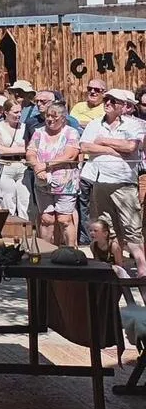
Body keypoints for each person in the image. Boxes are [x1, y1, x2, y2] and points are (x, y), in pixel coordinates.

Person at [80, 88, 146, 277]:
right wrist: (113, 151)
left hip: (124, 183)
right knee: (105, 227)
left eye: (112, 100)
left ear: (124, 106)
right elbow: (85, 146)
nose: (107, 102)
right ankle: (116, 268)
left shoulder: (135, 125)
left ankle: (142, 271)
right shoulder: (94, 124)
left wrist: (102, 141)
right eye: (106, 99)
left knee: (132, 228)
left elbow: (131, 146)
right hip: (100, 182)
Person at [28, 102, 81, 246]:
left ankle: (70, 250)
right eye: (48, 116)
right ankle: (46, 252)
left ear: (63, 118)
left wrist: (45, 165)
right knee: (46, 219)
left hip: (65, 182)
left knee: (64, 219)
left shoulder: (71, 132)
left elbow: (70, 155)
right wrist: (37, 168)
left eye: (54, 116)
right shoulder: (39, 132)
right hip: (42, 181)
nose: (50, 119)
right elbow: (31, 152)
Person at [0, 99, 30, 219]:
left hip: (23, 165)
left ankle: (24, 228)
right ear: (6, 113)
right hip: (5, 166)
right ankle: (8, 227)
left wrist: (9, 149)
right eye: (15, 112)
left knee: (24, 199)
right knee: (7, 199)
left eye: (20, 112)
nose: (19, 115)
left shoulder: (25, 127)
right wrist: (21, 148)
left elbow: (31, 148)